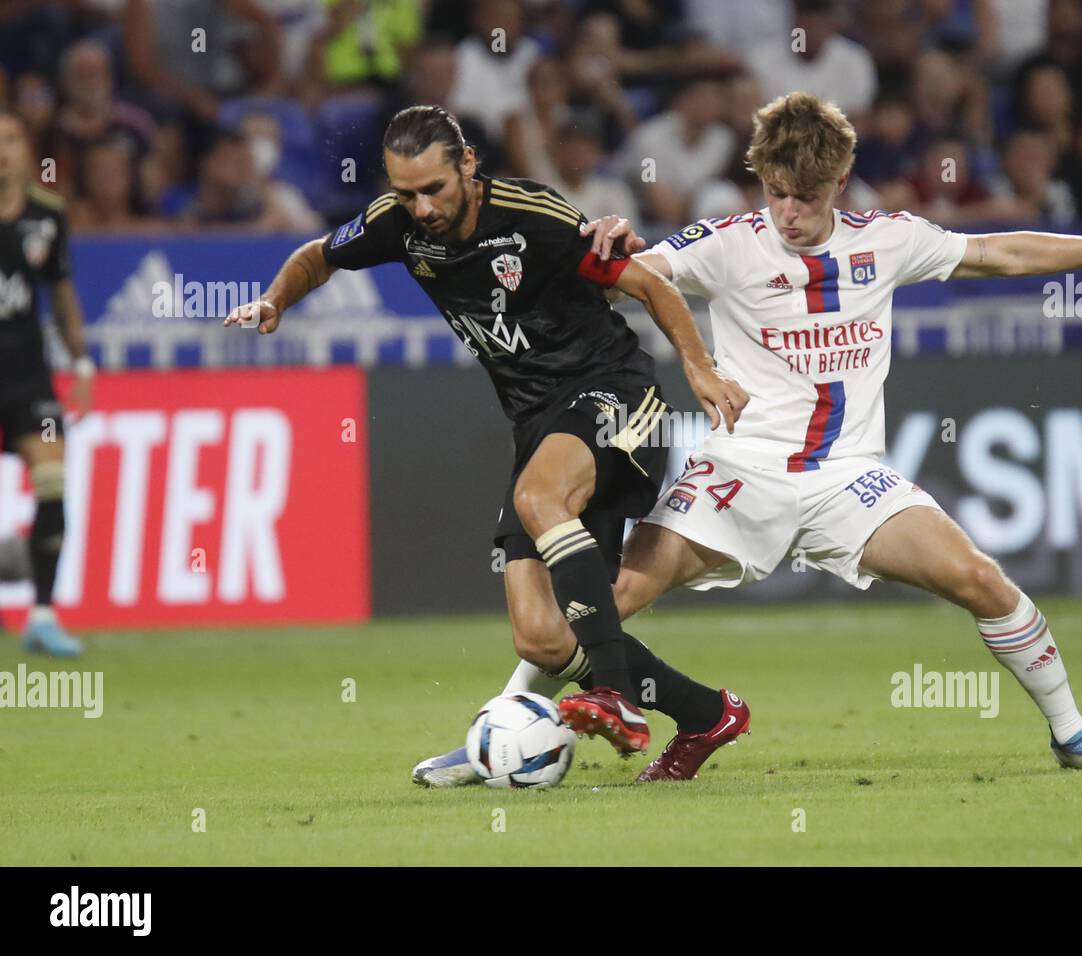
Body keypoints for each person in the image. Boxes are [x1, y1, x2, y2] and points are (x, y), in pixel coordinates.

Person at [416, 92, 1082, 784]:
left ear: (840, 180)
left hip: (849, 479)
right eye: (776, 193)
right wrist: (606, 238)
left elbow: (1000, 251)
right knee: (594, 611)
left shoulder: (889, 238)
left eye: (806, 195)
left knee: (980, 579)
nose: (791, 212)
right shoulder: (726, 243)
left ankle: (1072, 734)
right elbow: (636, 273)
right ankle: (500, 729)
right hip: (738, 473)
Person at [221, 105, 751, 782]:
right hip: (539, 424)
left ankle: (616, 698)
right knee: (541, 636)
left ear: (468, 165)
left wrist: (701, 369)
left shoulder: (536, 219)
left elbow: (647, 284)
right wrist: (275, 300)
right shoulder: (398, 224)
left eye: (433, 189)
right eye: (406, 192)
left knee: (538, 494)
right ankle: (706, 712)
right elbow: (317, 257)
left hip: (618, 395)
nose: (420, 207)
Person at [0, 110, 93, 657]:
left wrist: (80, 362)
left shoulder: (47, 216)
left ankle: (41, 614)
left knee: (53, 478)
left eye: (12, 140)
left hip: (28, 375)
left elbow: (60, 294)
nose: (4, 150)